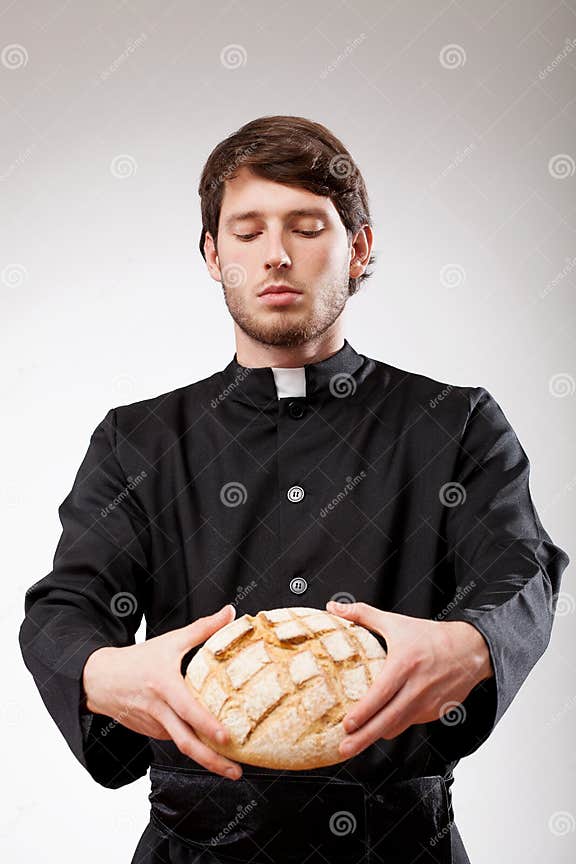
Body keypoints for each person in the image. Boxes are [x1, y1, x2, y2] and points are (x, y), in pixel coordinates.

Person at [19, 115, 570, 864]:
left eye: (307, 227)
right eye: (246, 232)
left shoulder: (456, 422)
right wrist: (98, 670)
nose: (275, 255)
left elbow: (520, 569)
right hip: (196, 849)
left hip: (400, 847)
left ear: (360, 248)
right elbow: (67, 607)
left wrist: (473, 642)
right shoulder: (138, 439)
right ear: (214, 256)